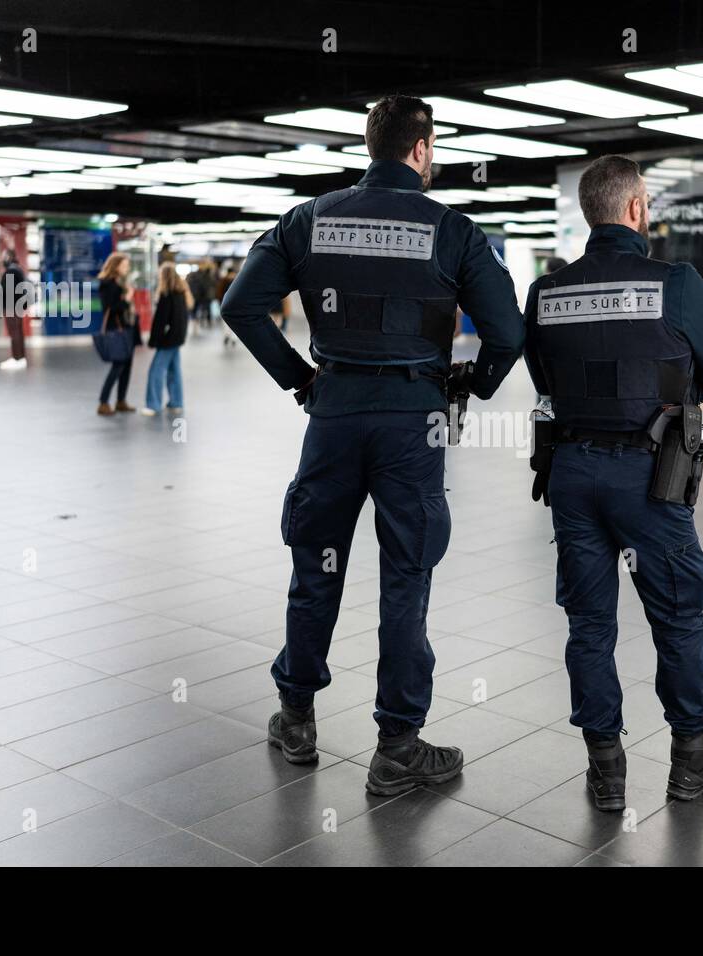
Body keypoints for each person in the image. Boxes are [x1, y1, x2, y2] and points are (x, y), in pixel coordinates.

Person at [221, 94, 525, 796]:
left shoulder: (309, 220)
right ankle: (397, 745)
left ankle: (296, 716)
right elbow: (508, 335)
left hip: (333, 417)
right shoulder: (453, 230)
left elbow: (241, 305)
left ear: (370, 146)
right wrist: (472, 384)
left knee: (315, 566)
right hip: (412, 423)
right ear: (421, 149)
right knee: (406, 576)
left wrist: (302, 380)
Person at [523, 155, 703, 811]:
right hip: (651, 476)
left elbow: (544, 380)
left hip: (572, 473)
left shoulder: (547, 292)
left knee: (588, 625)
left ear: (591, 211)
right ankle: (690, 762)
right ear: (637, 208)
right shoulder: (677, 282)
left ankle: (605, 771)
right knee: (676, 615)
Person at [143, 262, 191, 416]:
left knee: (155, 370)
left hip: (167, 339)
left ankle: (153, 405)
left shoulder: (166, 295)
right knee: (174, 370)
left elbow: (160, 321)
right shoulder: (182, 293)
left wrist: (153, 340)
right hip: (178, 337)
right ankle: (176, 402)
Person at [96, 252, 139, 415]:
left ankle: (121, 400)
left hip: (127, 328)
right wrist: (127, 298)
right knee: (118, 366)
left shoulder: (121, 282)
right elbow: (111, 307)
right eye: (124, 265)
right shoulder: (108, 284)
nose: (127, 268)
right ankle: (103, 402)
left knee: (127, 366)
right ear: (116, 266)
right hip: (116, 329)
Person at [0, 254, 28, 371]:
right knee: (18, 332)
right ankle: (20, 358)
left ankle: (17, 358)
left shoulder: (10, 272)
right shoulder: (19, 271)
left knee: (14, 332)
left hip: (12, 307)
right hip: (17, 306)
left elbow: (5, 291)